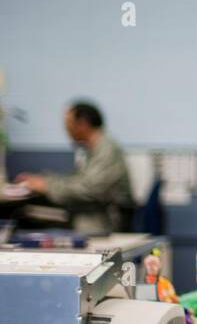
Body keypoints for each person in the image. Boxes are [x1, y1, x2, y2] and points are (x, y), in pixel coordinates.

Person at [16, 100, 134, 235]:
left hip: (104, 223)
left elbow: (88, 189)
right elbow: (78, 180)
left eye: (69, 125)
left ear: (83, 124)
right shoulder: (93, 149)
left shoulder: (107, 149)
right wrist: (46, 181)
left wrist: (47, 185)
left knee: (32, 224)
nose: (67, 130)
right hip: (94, 215)